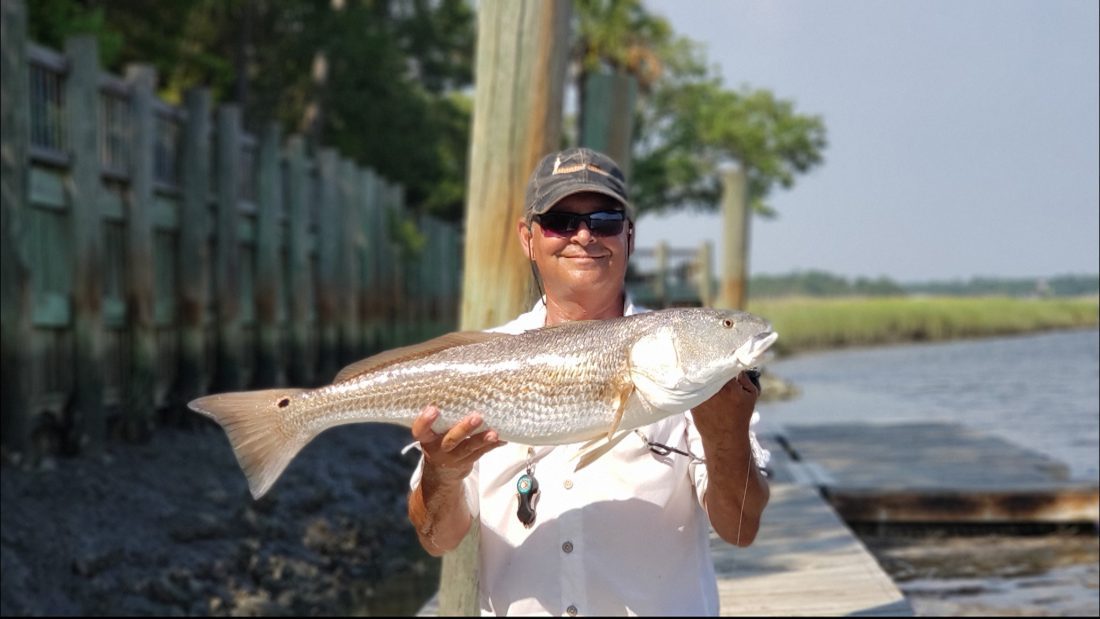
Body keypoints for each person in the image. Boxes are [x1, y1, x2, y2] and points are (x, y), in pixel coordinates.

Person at [406, 147, 770, 616]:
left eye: (604, 220)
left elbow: (740, 529)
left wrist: (727, 437)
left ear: (629, 237)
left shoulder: (691, 365)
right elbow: (438, 538)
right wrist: (443, 473)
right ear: (528, 238)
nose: (583, 235)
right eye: (560, 220)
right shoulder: (476, 363)